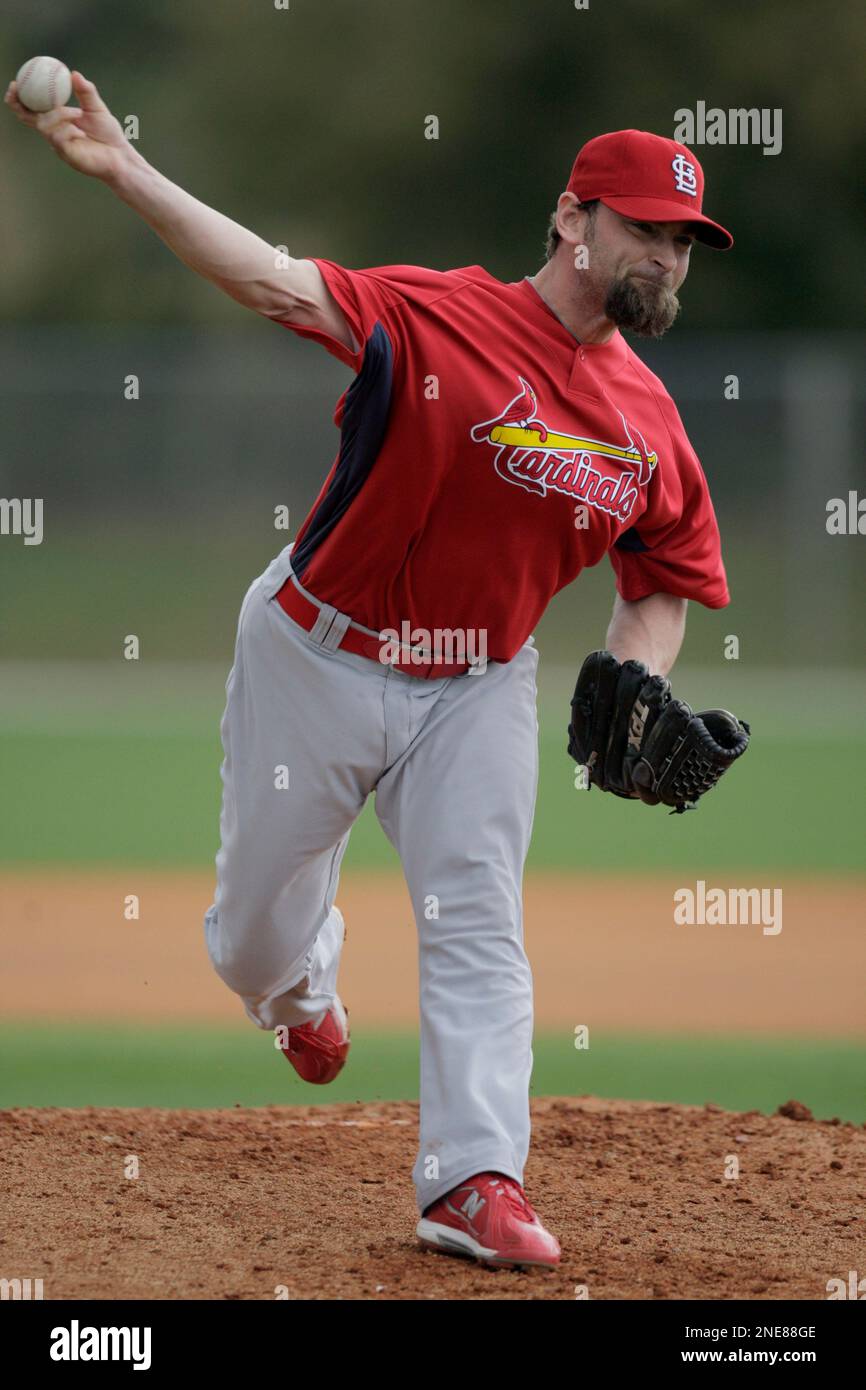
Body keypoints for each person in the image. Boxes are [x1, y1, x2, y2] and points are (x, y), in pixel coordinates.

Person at [6, 75, 732, 1269]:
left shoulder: (649, 422)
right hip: (312, 652)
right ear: (571, 220)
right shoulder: (435, 316)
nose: (666, 257)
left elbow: (662, 577)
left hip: (478, 685)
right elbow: (269, 276)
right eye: (645, 229)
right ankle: (301, 991)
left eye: (682, 242)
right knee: (244, 940)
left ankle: (472, 1179)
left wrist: (631, 672)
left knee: (477, 919)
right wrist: (124, 167)